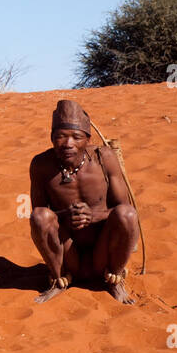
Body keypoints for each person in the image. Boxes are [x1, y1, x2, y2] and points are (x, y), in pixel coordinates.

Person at [29, 100, 138, 304]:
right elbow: (39, 212)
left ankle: (114, 279)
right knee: (39, 217)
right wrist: (66, 216)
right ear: (52, 139)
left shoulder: (104, 157)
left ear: (87, 139)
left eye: (76, 137)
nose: (68, 143)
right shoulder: (41, 164)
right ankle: (58, 279)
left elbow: (124, 208)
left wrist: (94, 215)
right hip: (69, 254)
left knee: (127, 215)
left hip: (104, 253)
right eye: (60, 136)